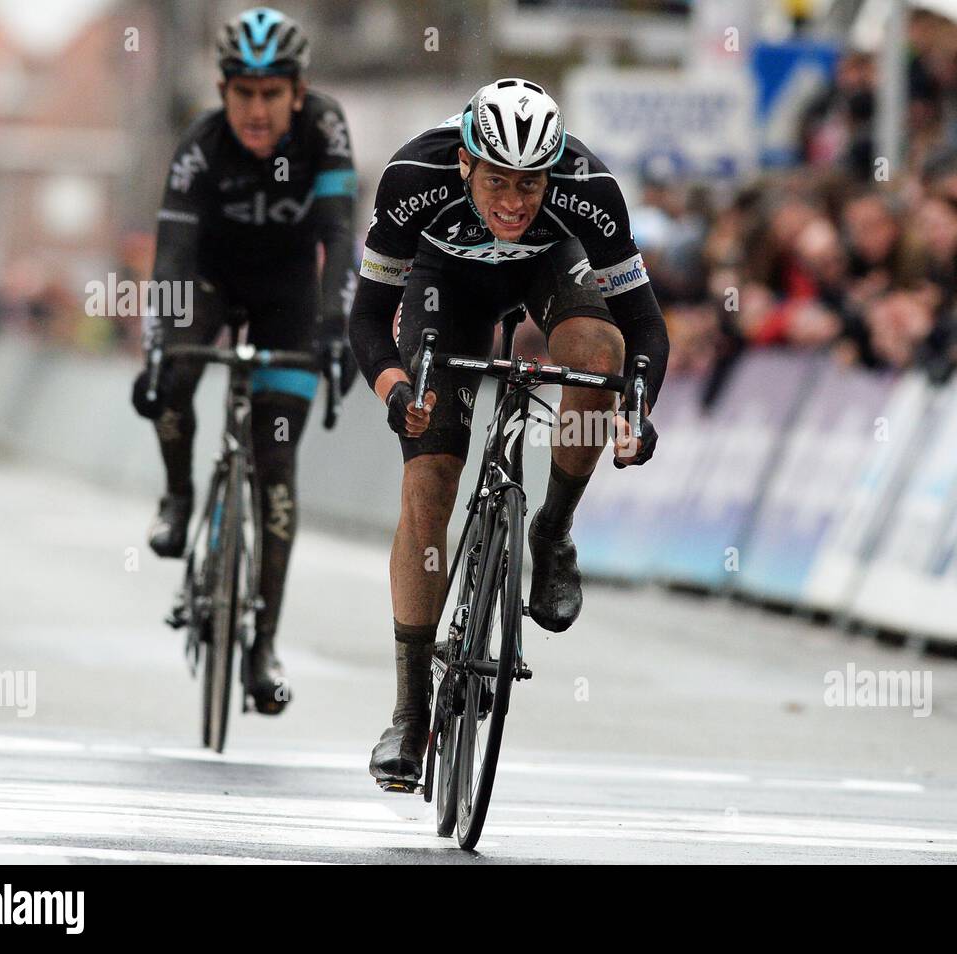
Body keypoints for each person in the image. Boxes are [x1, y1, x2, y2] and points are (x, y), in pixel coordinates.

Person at [349, 78, 669, 786]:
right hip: (442, 287)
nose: (515, 202)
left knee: (598, 356)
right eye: (498, 181)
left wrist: (635, 408)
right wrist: (394, 388)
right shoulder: (413, 177)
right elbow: (367, 317)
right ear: (466, 163)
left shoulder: (591, 189)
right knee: (429, 483)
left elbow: (645, 324)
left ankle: (550, 533)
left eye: (531, 184)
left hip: (547, 272)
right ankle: (410, 712)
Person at [131, 7, 357, 714]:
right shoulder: (200, 146)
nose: (256, 111)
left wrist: (336, 329)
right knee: (179, 368)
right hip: (207, 281)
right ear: (223, 91)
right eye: (242, 94)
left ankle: (262, 645)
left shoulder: (324, 130)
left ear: (298, 91)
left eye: (270, 94)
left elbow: (340, 237)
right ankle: (178, 493)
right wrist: (160, 347)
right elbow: (169, 259)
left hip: (288, 293)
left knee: (276, 462)